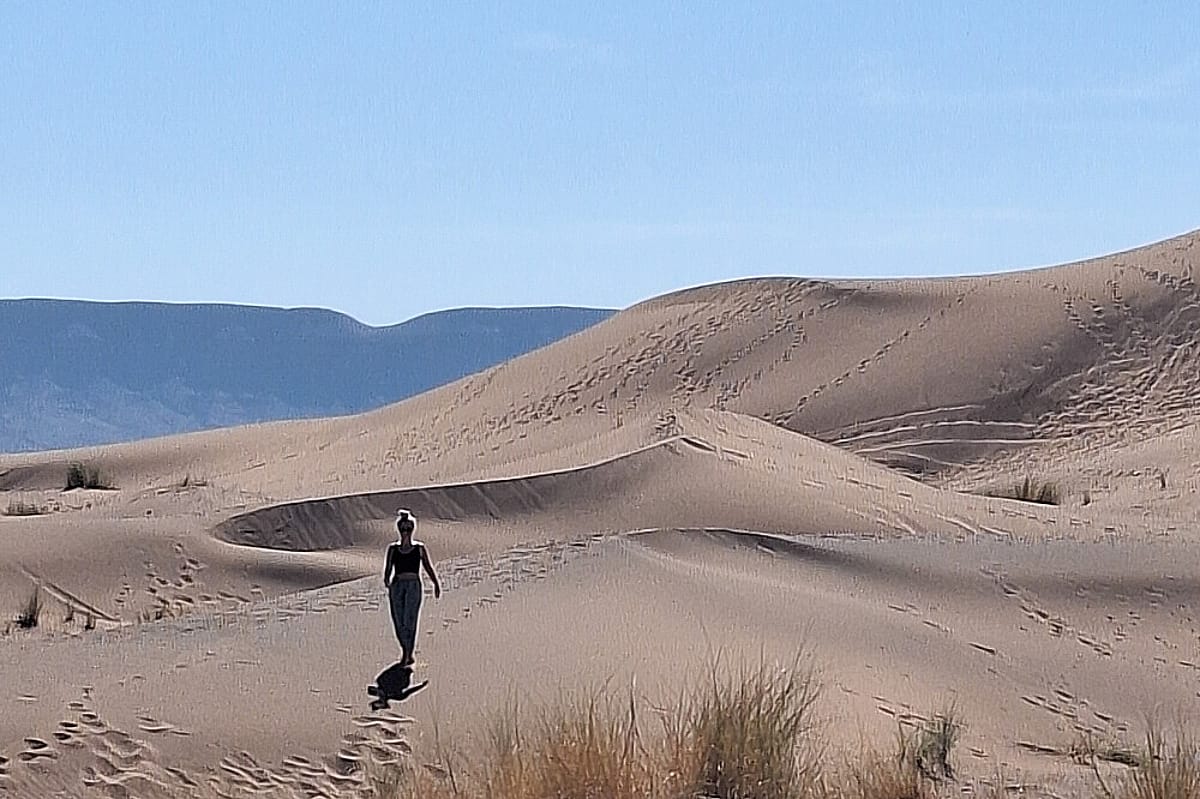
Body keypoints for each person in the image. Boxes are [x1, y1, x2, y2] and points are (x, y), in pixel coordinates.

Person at [383, 509, 441, 667]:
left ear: (413, 529)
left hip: (413, 585)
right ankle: (405, 650)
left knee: (410, 620)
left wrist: (435, 583)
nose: (406, 532)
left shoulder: (419, 548)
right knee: (398, 621)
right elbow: (388, 569)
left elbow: (428, 567)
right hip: (397, 586)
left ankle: (407, 654)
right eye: (403, 528)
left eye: (408, 529)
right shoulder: (393, 549)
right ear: (399, 529)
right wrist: (387, 580)